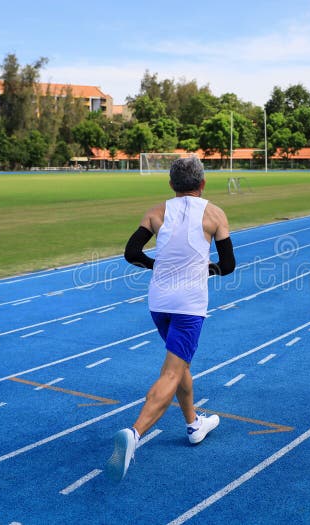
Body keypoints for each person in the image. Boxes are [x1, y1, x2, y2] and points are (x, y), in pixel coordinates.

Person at [106, 156, 236, 481]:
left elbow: (131, 253)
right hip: (189, 304)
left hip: (159, 301)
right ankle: (134, 435)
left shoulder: (155, 212)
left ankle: (193, 424)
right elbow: (229, 264)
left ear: (171, 184)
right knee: (171, 371)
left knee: (180, 365)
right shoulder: (215, 213)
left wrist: (159, 267)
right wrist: (205, 269)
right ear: (203, 183)